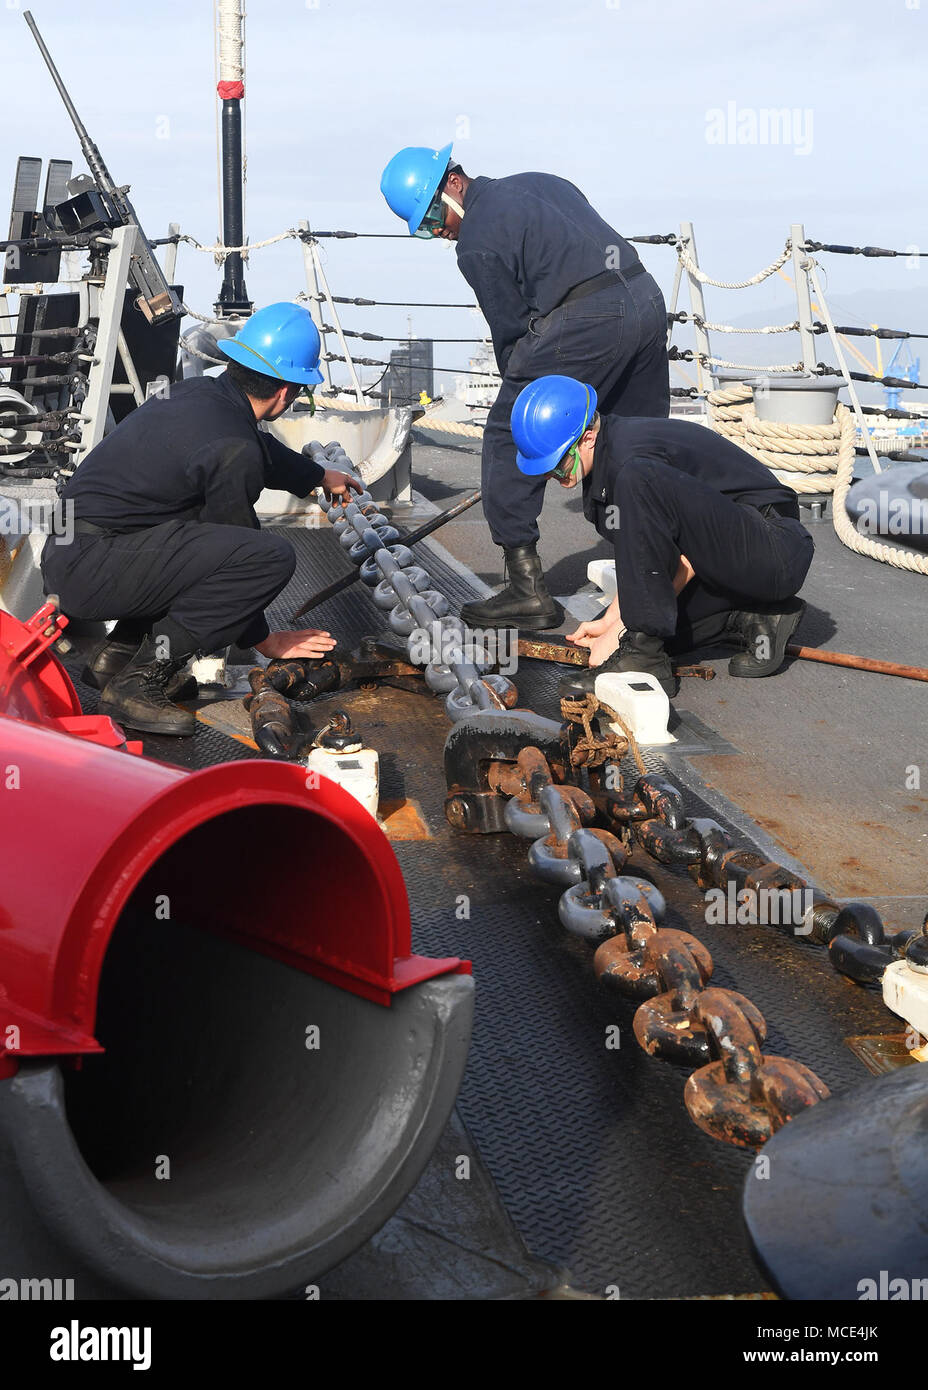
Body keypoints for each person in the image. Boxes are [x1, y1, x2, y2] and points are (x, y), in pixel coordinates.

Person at [380, 143, 670, 630]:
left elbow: (511, 333)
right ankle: (661, 564)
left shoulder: (476, 241)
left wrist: (521, 396)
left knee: (506, 434)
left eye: (433, 218)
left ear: (453, 183)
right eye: (427, 229)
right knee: (630, 435)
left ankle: (526, 589)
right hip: (644, 297)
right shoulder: (538, 180)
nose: (439, 231)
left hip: (588, 319)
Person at [41, 302, 361, 736]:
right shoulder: (232, 445)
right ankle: (139, 683)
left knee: (190, 528)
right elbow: (236, 543)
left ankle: (116, 658)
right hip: (93, 569)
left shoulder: (199, 395)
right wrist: (265, 641)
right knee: (267, 557)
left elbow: (258, 449)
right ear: (286, 393)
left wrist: (320, 475)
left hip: (72, 554)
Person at [509, 375, 814, 698]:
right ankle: (760, 616)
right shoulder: (610, 457)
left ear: (586, 438)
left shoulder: (632, 463)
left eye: (557, 466)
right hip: (736, 558)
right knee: (657, 624)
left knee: (642, 633)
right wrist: (610, 620)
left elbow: (686, 558)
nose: (553, 476)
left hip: (773, 547)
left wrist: (624, 635)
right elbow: (649, 557)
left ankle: (643, 659)